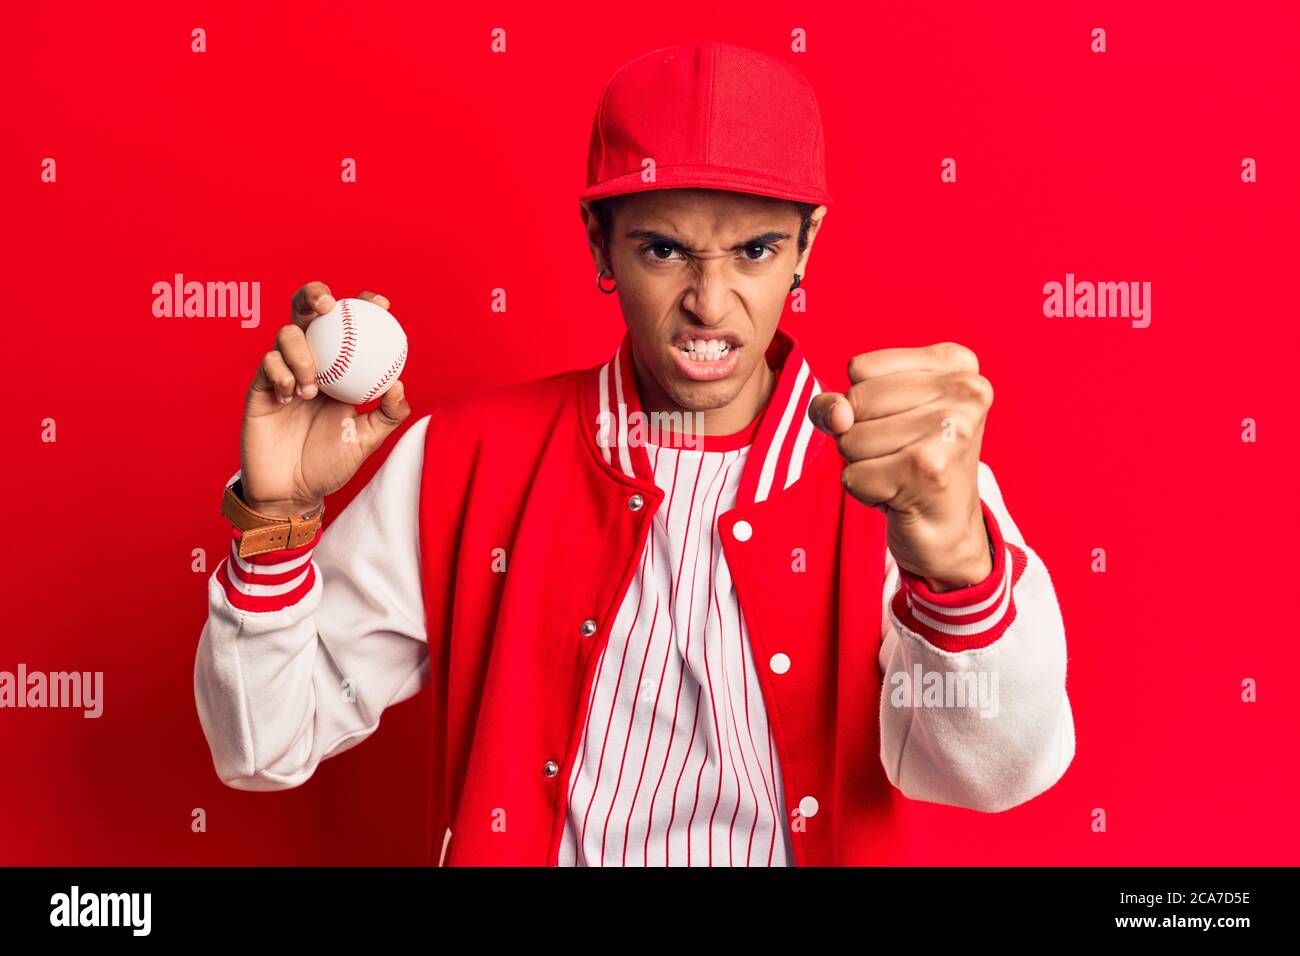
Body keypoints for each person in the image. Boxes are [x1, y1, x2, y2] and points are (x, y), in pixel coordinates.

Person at [194, 40, 1075, 867]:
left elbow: (992, 775)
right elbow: (263, 746)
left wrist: (957, 568)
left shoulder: (905, 479)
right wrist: (277, 517)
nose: (708, 301)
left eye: (756, 250)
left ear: (807, 248)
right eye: (665, 249)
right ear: (598, 245)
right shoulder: (462, 457)